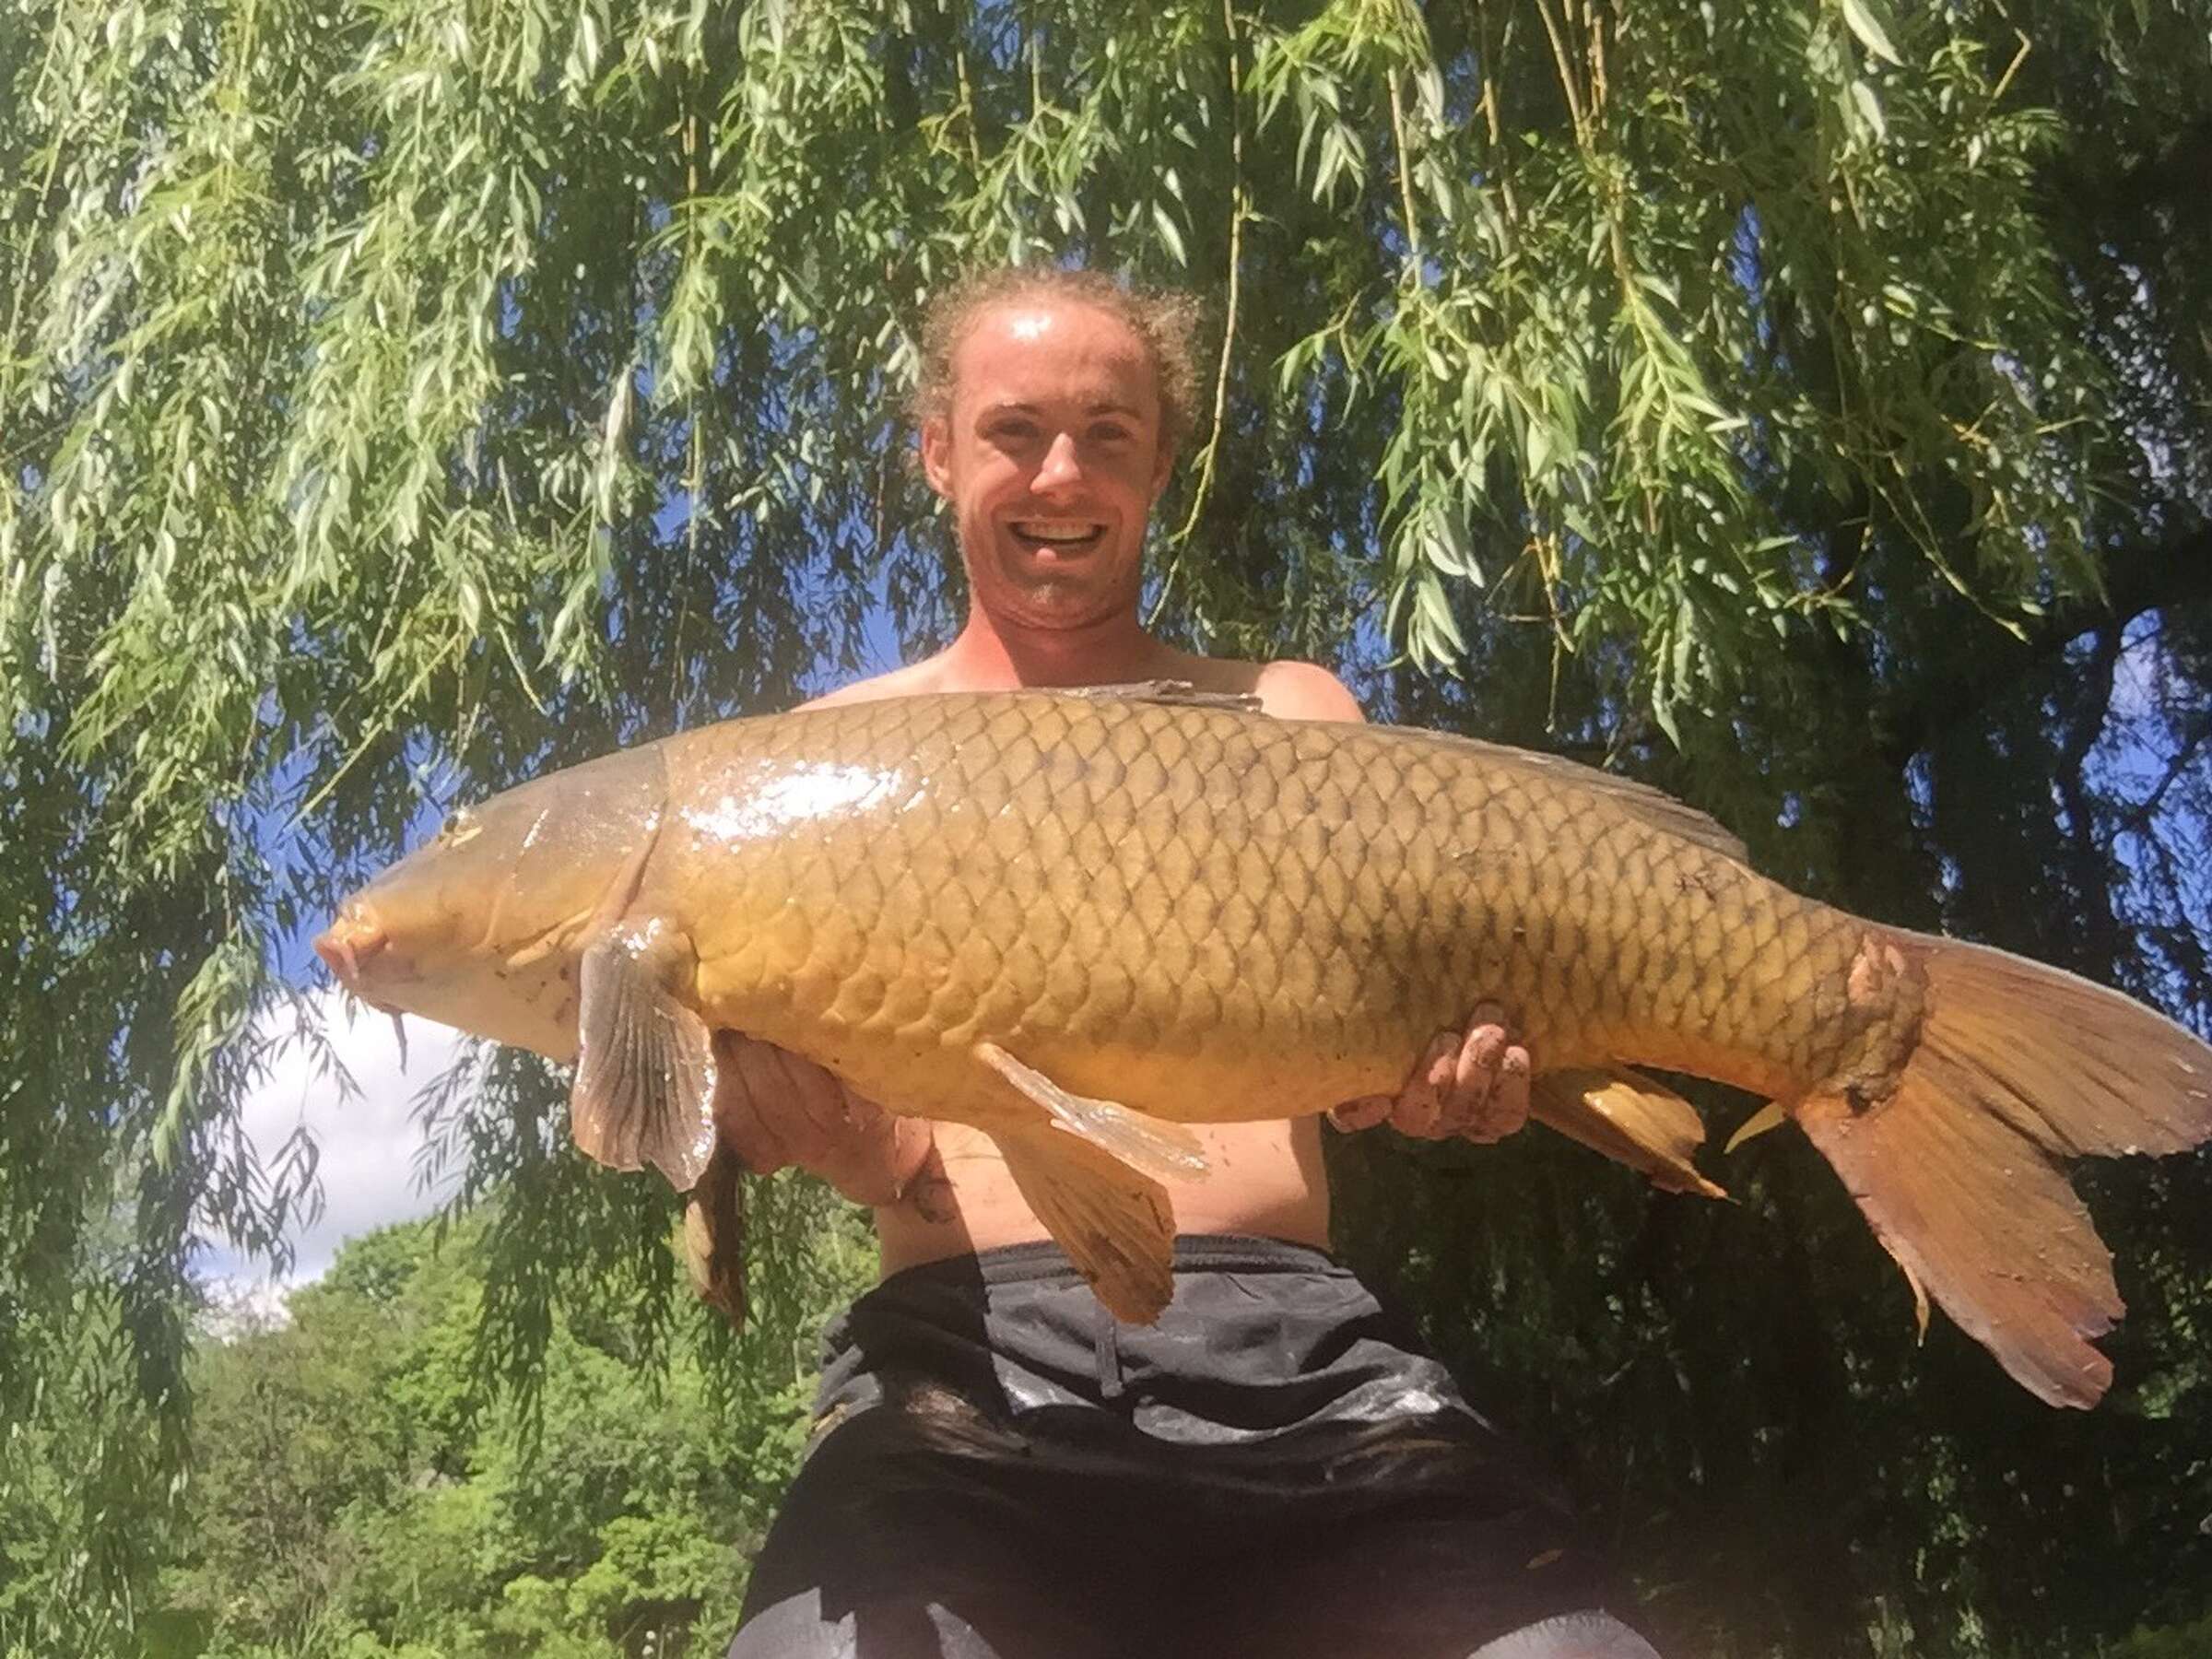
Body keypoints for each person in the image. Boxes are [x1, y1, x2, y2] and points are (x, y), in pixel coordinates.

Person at [715, 268, 1661, 1659]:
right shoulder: (827, 759)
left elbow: (1399, 1046)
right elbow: (886, 1145)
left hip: (1304, 1369)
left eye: (1109, 432)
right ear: (937, 451)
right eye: (1014, 430)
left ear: (1163, 459)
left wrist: (1454, 1083)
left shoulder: (1283, 712)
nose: (1061, 472)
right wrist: (833, 1139)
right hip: (963, 1385)